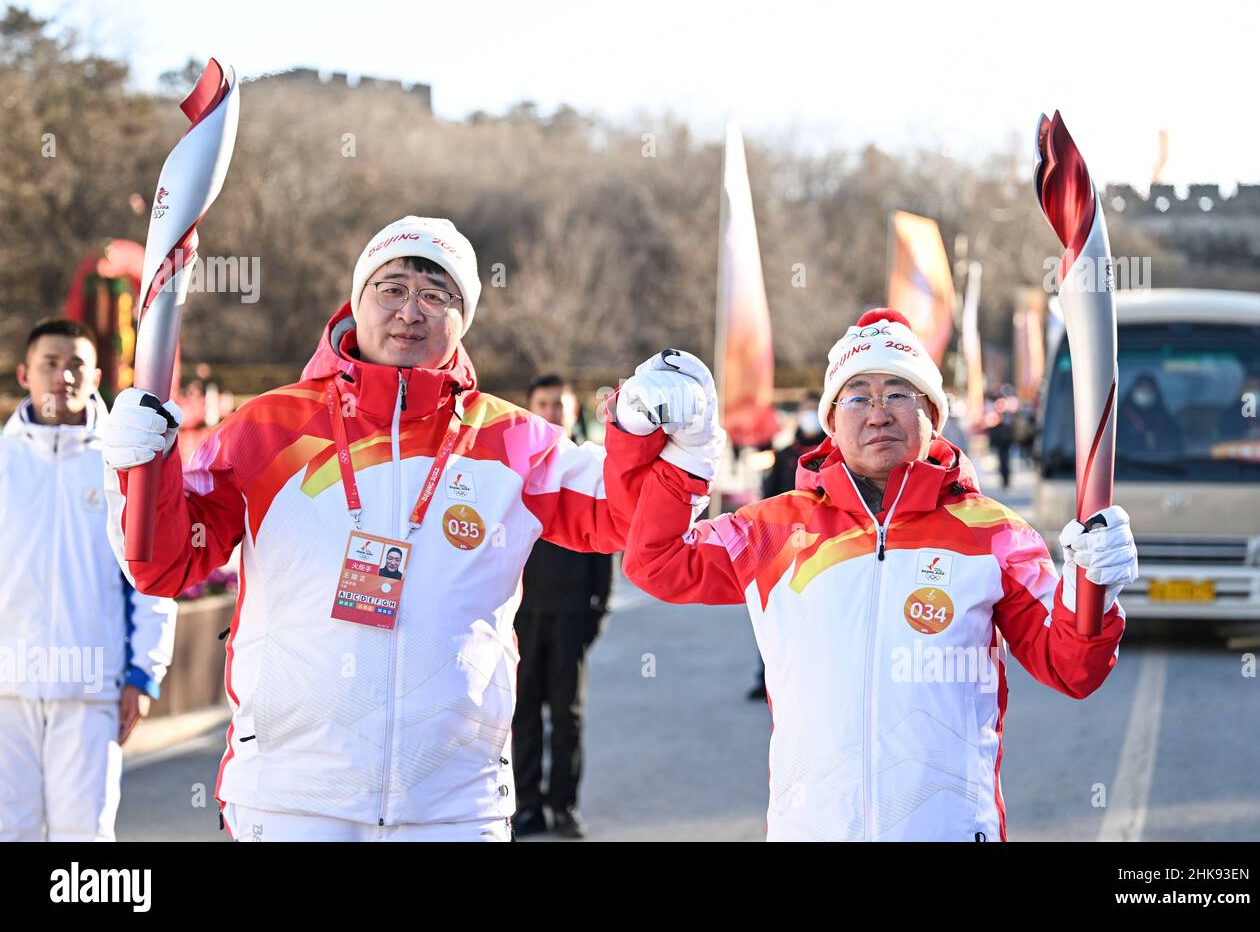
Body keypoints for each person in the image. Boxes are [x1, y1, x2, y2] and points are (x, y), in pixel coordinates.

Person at [100, 216, 683, 842]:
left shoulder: (515, 443)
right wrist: (137, 469)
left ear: (463, 319)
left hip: (454, 803)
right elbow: (164, 565)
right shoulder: (267, 429)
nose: (411, 311)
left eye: (437, 295)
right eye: (392, 288)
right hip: (293, 798)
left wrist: (657, 435)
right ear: (358, 302)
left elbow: (631, 516)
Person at [607, 308, 1139, 841]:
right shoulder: (775, 528)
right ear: (832, 422)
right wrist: (681, 453)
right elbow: (656, 560)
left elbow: (1073, 669)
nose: (878, 413)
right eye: (857, 396)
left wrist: (1091, 585)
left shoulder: (997, 535)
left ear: (932, 412)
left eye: (898, 393)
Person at [0, 318, 177, 841]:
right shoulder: (3, 463)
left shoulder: (122, 466)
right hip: (7, 690)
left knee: (84, 840)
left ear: (96, 375)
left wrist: (143, 674)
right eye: (49, 364)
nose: (63, 377)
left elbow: (151, 575)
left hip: (90, 689)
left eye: (75, 365)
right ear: (24, 374)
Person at [511, 374, 612, 839]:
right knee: (522, 712)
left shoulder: (589, 468)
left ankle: (563, 805)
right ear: (531, 408)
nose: (551, 412)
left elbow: (604, 546)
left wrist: (598, 610)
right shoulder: (514, 468)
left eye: (560, 404)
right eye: (543, 403)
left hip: (571, 611)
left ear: (575, 412)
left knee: (567, 715)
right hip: (522, 616)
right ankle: (526, 803)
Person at [746, 391, 824, 700]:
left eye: (813, 412)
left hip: (822, 546)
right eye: (804, 411)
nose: (808, 418)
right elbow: (769, 501)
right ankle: (764, 677)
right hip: (784, 546)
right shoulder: (785, 454)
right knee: (773, 612)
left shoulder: (834, 455)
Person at [1116, 373, 1182, 455]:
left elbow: (1176, 446)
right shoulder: (1118, 419)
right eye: (1142, 388)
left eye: (1148, 389)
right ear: (1133, 390)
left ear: (1156, 393)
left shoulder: (1164, 418)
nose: (1145, 392)